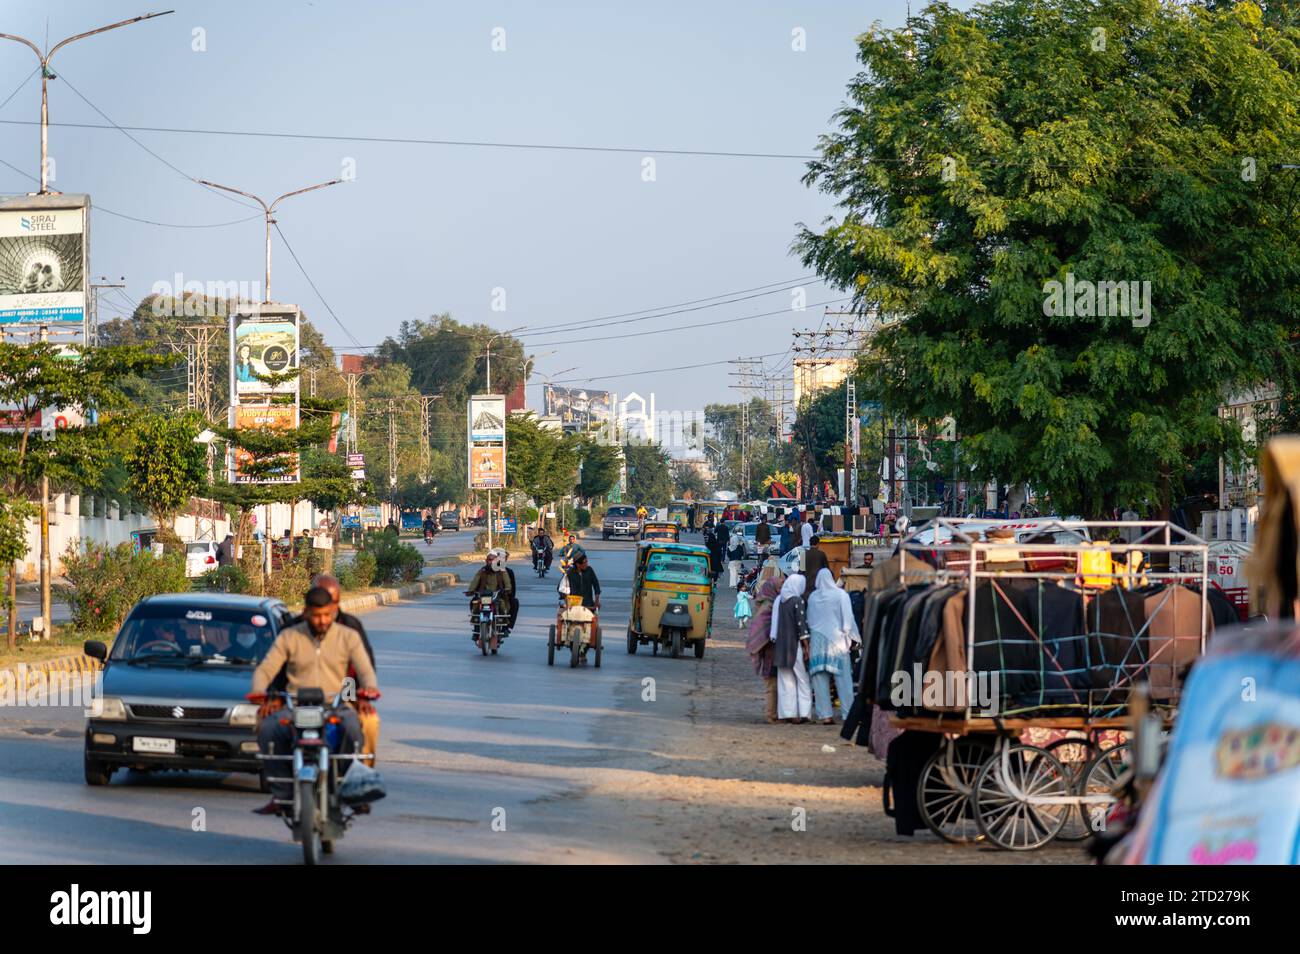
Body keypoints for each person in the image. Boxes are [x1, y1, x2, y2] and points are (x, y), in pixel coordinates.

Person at [250, 585, 377, 814]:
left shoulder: (349, 636)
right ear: (306, 612)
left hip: (335, 706)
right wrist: (260, 693)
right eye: (317, 615)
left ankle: (349, 787)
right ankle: (282, 793)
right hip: (295, 706)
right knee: (268, 728)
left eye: (327, 615)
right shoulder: (290, 635)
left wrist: (369, 690)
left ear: (334, 611)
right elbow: (266, 669)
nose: (322, 621)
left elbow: (365, 670)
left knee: (354, 730)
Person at [280, 573, 381, 763]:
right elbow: (277, 669)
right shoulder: (292, 629)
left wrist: (356, 697)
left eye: (333, 602)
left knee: (369, 723)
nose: (329, 608)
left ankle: (360, 776)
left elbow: (362, 668)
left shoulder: (351, 627)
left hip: (340, 699)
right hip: (298, 701)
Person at [806, 568, 859, 725]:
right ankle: (848, 714)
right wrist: (850, 636)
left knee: (819, 680)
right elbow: (848, 618)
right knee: (844, 681)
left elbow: (809, 619)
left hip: (817, 642)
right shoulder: (840, 595)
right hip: (837, 642)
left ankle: (825, 716)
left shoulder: (813, 597)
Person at [770, 573, 812, 723]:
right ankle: (804, 712)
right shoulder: (797, 601)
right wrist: (807, 648)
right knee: (802, 679)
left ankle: (788, 713)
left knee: (785, 680)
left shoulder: (779, 601)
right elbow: (801, 626)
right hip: (794, 646)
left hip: (780, 645)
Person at [746, 577, 784, 723]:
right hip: (770, 651)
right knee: (772, 685)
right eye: (779, 587)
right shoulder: (769, 606)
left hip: (770, 651)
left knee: (773, 685)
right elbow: (763, 629)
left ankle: (773, 713)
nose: (781, 590)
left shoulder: (765, 604)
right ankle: (771, 714)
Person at [466, 550, 513, 645]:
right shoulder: (482, 570)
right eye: (488, 560)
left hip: (496, 595)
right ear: (486, 560)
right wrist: (470, 590)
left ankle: (504, 627)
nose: (490, 562)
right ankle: (476, 629)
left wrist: (507, 589)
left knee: (503, 606)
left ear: (496, 560)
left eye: (492, 560)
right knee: (475, 606)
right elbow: (475, 581)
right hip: (483, 595)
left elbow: (507, 581)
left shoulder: (501, 570)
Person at [727, 523, 746, 588]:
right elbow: (742, 554)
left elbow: (728, 555)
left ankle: (732, 584)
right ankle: (738, 584)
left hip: (732, 561)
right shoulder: (740, 546)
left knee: (732, 573)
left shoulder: (730, 547)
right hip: (738, 560)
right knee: (738, 573)